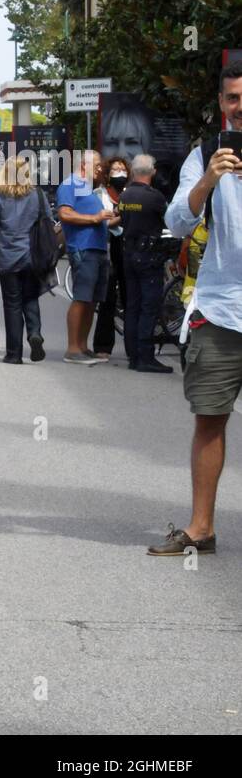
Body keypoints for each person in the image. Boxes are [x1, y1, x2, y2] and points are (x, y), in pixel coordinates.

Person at [151, 60, 242, 556]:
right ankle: (201, 528)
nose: (239, 107)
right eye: (232, 99)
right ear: (221, 104)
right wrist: (208, 178)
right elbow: (177, 221)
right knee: (210, 417)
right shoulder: (205, 154)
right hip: (222, 307)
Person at [0, 156, 49, 363]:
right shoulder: (38, 194)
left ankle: (14, 354)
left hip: (7, 256)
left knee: (12, 304)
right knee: (30, 297)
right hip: (32, 255)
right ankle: (35, 333)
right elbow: (48, 221)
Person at [56, 150, 118, 364]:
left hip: (97, 248)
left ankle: (82, 346)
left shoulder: (88, 189)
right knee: (82, 298)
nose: (100, 169)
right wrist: (95, 218)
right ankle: (73, 348)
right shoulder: (70, 184)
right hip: (83, 249)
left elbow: (99, 220)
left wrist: (114, 219)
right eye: (98, 164)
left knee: (91, 300)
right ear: (84, 164)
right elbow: (64, 213)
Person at [118, 154, 172, 373]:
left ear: (132, 172)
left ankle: (133, 355)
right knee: (149, 307)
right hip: (149, 256)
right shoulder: (155, 197)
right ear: (153, 172)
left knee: (132, 306)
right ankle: (145, 357)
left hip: (128, 253)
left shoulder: (125, 195)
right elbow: (170, 221)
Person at [92, 156, 129, 360]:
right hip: (106, 247)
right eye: (115, 170)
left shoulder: (130, 195)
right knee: (107, 298)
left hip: (127, 248)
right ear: (107, 174)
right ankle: (103, 345)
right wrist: (118, 219)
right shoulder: (98, 195)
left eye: (123, 170)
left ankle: (134, 348)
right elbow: (100, 222)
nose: (120, 173)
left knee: (130, 297)